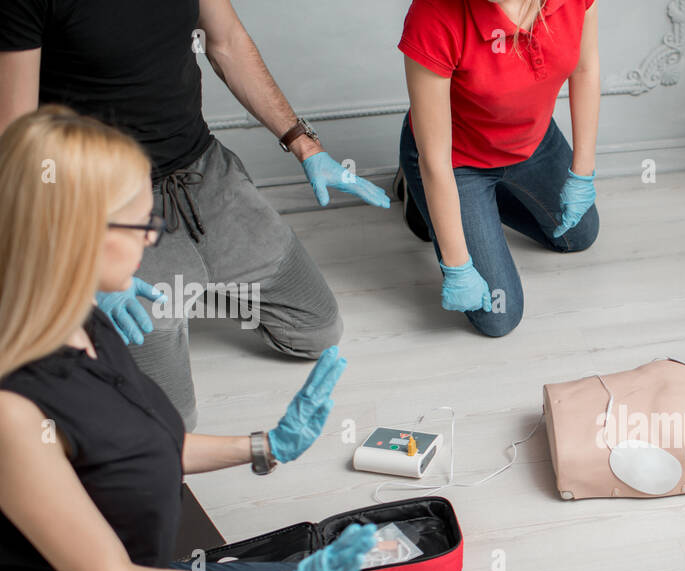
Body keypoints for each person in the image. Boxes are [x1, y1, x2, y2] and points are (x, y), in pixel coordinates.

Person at [0, 107, 390, 571]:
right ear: (74, 237)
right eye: (141, 223)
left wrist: (265, 444)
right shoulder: (12, 409)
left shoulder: (92, 317)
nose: (155, 237)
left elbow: (142, 450)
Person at [0, 0, 392, 431]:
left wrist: (305, 144)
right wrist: (84, 266)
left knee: (317, 330)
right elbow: (17, 142)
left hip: (201, 170)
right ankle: (77, 304)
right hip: (104, 198)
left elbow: (227, 42)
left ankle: (193, 281)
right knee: (172, 423)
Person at [396, 0, 600, 338]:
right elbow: (435, 158)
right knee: (499, 315)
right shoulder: (432, 13)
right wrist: (458, 265)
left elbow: (585, 70)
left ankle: (469, 204)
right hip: (457, 160)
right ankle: (417, 193)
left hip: (533, 142)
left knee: (579, 235)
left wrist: (583, 172)